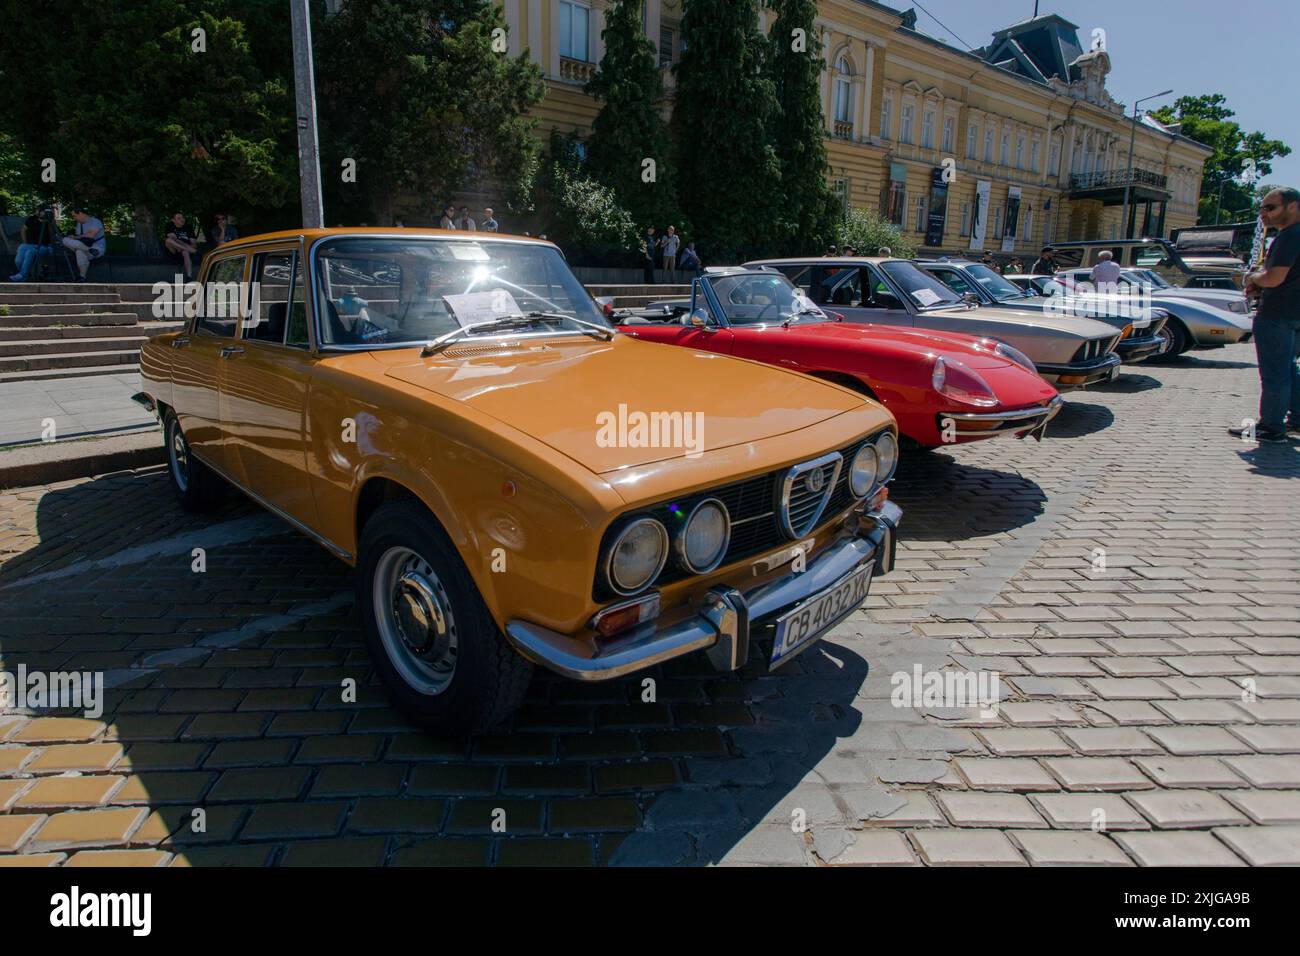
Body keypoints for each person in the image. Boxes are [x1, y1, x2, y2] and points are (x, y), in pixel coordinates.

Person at [1229, 187, 1300, 443]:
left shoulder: (1289, 236)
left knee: (1275, 373)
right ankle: (1296, 421)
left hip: (1277, 313)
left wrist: (1253, 277)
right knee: (1289, 368)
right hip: (1295, 312)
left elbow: (1274, 278)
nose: (1263, 214)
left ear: (1292, 207)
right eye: (1261, 208)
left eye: (1270, 208)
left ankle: (1271, 427)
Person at [7, 208, 57, 282]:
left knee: (30, 252)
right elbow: (23, 229)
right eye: (37, 210)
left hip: (44, 246)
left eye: (40, 210)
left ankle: (22, 275)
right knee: (21, 250)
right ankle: (26, 275)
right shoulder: (31, 219)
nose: (37, 212)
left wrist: (49, 222)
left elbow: (52, 235)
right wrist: (25, 241)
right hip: (30, 244)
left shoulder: (50, 221)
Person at [61, 207, 107, 281]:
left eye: (74, 216)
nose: (74, 218)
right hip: (87, 248)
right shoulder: (79, 224)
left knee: (79, 251)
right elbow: (80, 238)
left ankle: (82, 277)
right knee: (65, 240)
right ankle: (89, 250)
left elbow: (90, 235)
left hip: (97, 248)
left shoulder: (95, 221)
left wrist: (75, 237)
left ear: (80, 213)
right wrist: (73, 238)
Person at [162, 212, 200, 280]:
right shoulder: (169, 226)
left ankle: (189, 276)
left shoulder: (188, 227)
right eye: (179, 218)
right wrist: (186, 247)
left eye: (182, 218)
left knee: (185, 252)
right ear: (173, 220)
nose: (182, 219)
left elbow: (194, 244)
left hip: (186, 251)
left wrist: (186, 248)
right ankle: (187, 250)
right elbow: (174, 239)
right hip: (174, 250)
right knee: (168, 241)